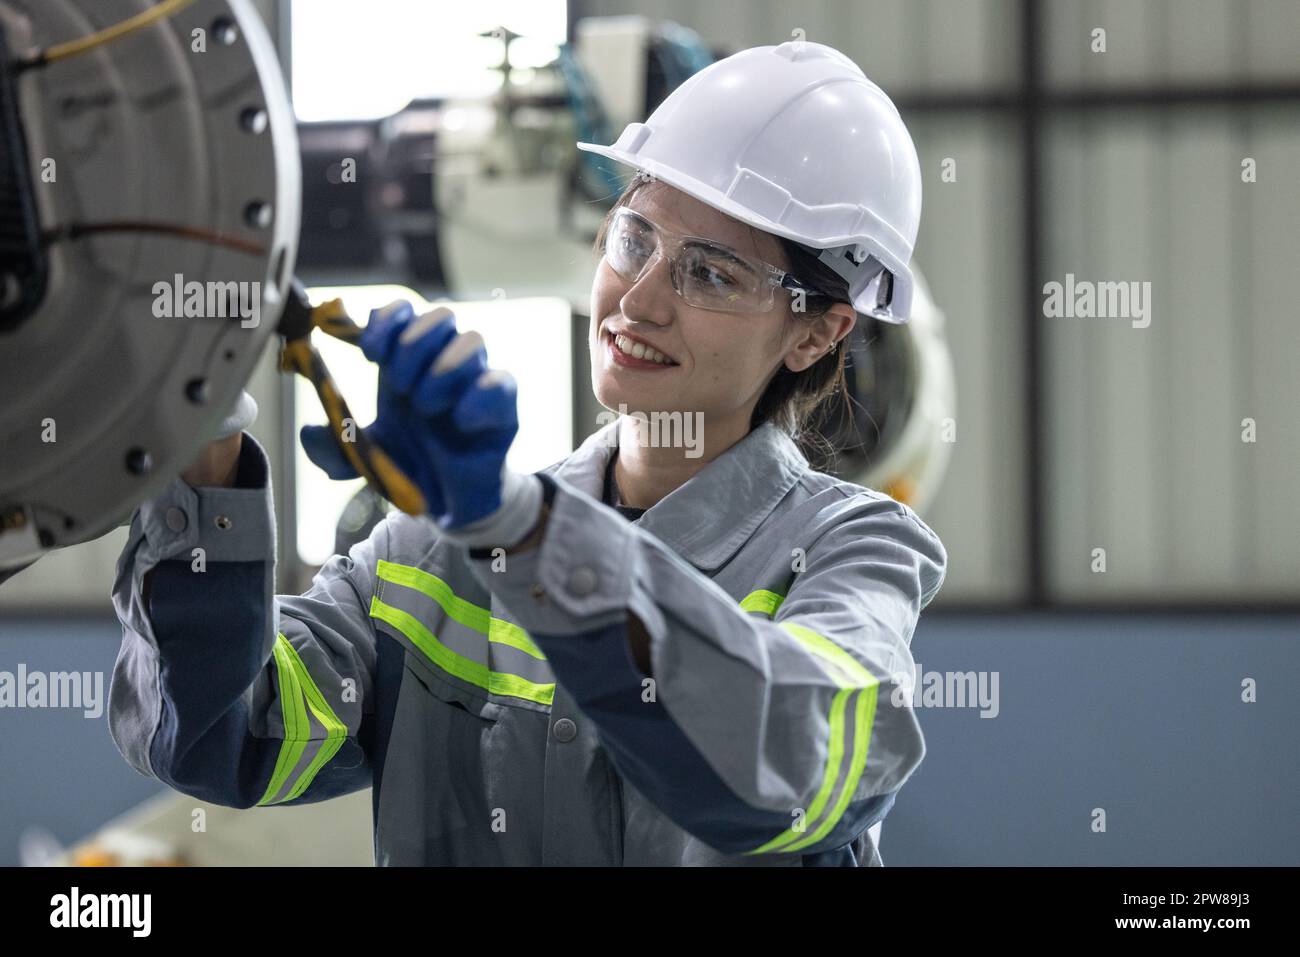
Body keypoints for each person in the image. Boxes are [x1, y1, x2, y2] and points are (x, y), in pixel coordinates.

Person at [107, 39, 946, 866]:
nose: (639, 300)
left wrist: (520, 527)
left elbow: (791, 775)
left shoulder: (852, 552)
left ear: (816, 332)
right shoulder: (430, 548)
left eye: (713, 275)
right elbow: (225, 737)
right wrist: (200, 429)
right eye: (635, 239)